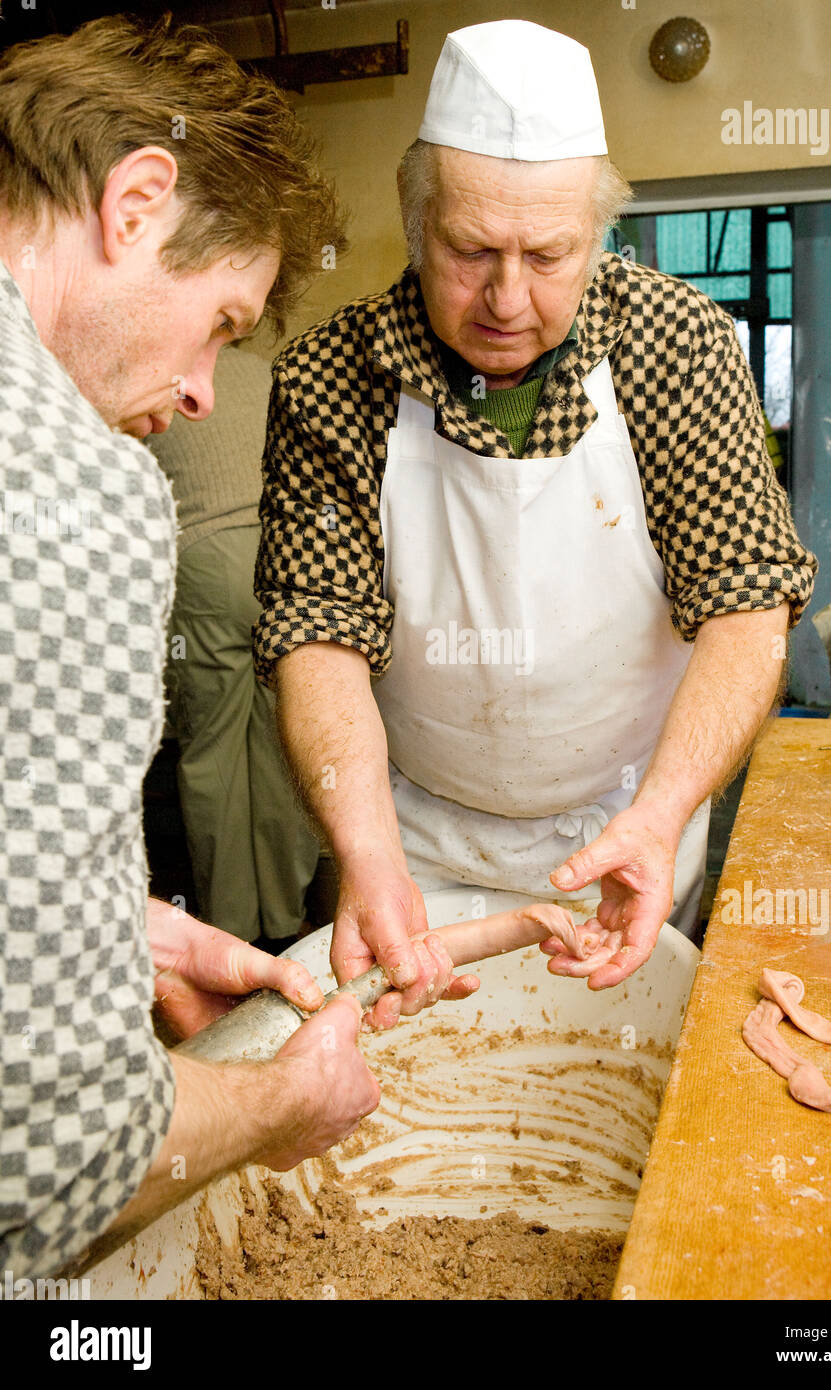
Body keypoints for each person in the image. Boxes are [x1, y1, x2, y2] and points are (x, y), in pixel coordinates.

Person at [0, 15, 451, 1281]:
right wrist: (272, 1105)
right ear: (136, 202)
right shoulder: (73, 487)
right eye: (218, 319)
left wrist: (101, 925)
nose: (204, 392)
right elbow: (51, 1157)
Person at [255, 19, 819, 1028]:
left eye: (548, 256)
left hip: (626, 828)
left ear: (596, 236)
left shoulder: (677, 347)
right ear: (416, 221)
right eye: (471, 251)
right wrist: (368, 853)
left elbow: (746, 610)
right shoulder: (329, 375)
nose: (507, 300)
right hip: (411, 836)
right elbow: (316, 638)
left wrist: (658, 816)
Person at [150, 349, 321, 945]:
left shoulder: (154, 369)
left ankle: (227, 932)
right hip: (287, 551)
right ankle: (285, 924)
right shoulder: (269, 367)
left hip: (204, 557)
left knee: (213, 751)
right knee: (286, 750)